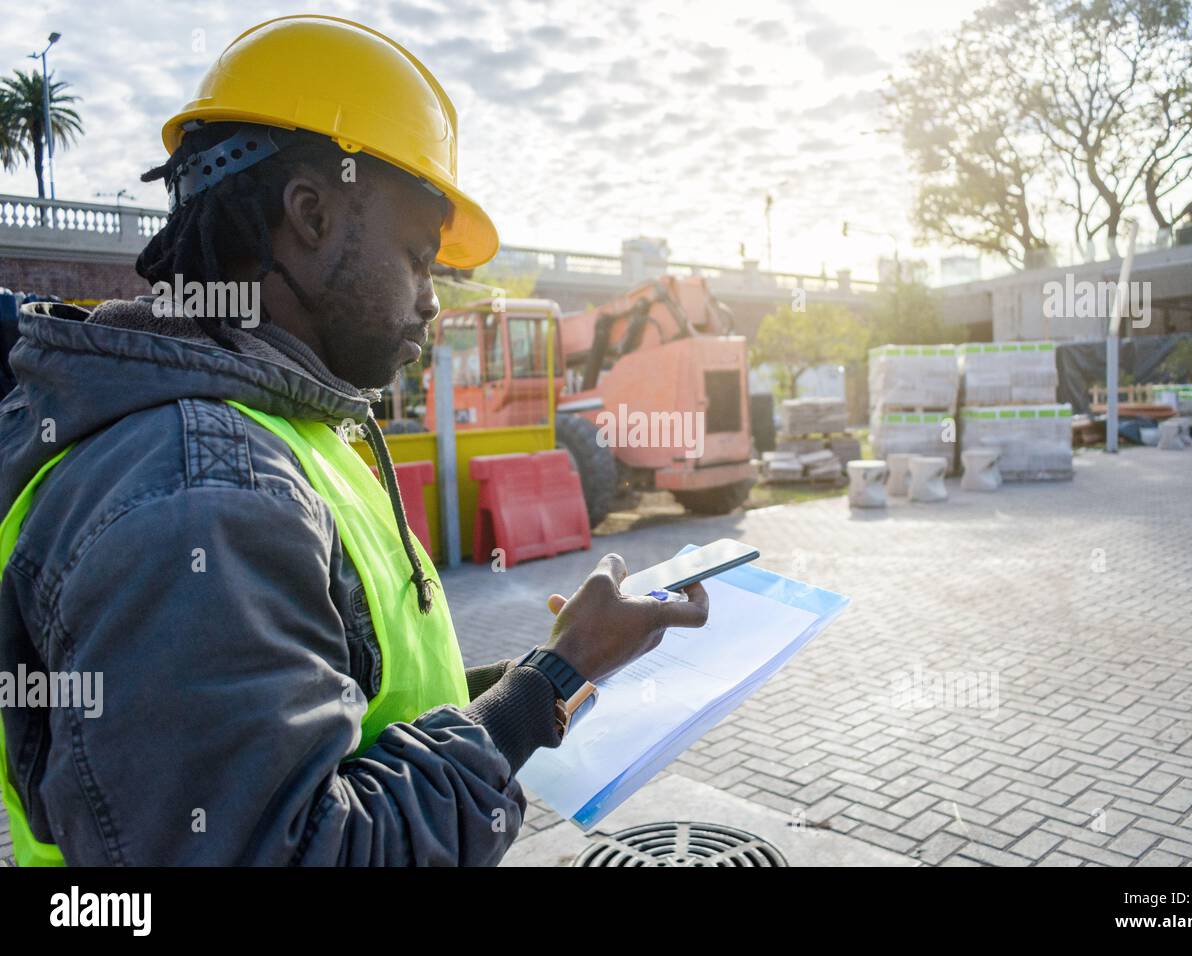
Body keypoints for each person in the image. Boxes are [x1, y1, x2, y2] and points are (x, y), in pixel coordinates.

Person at [0, 14, 707, 866]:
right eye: (417, 257)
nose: (433, 300)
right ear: (311, 214)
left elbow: (349, 721)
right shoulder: (198, 492)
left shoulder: (289, 435)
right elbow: (299, 850)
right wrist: (548, 683)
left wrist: (552, 674)